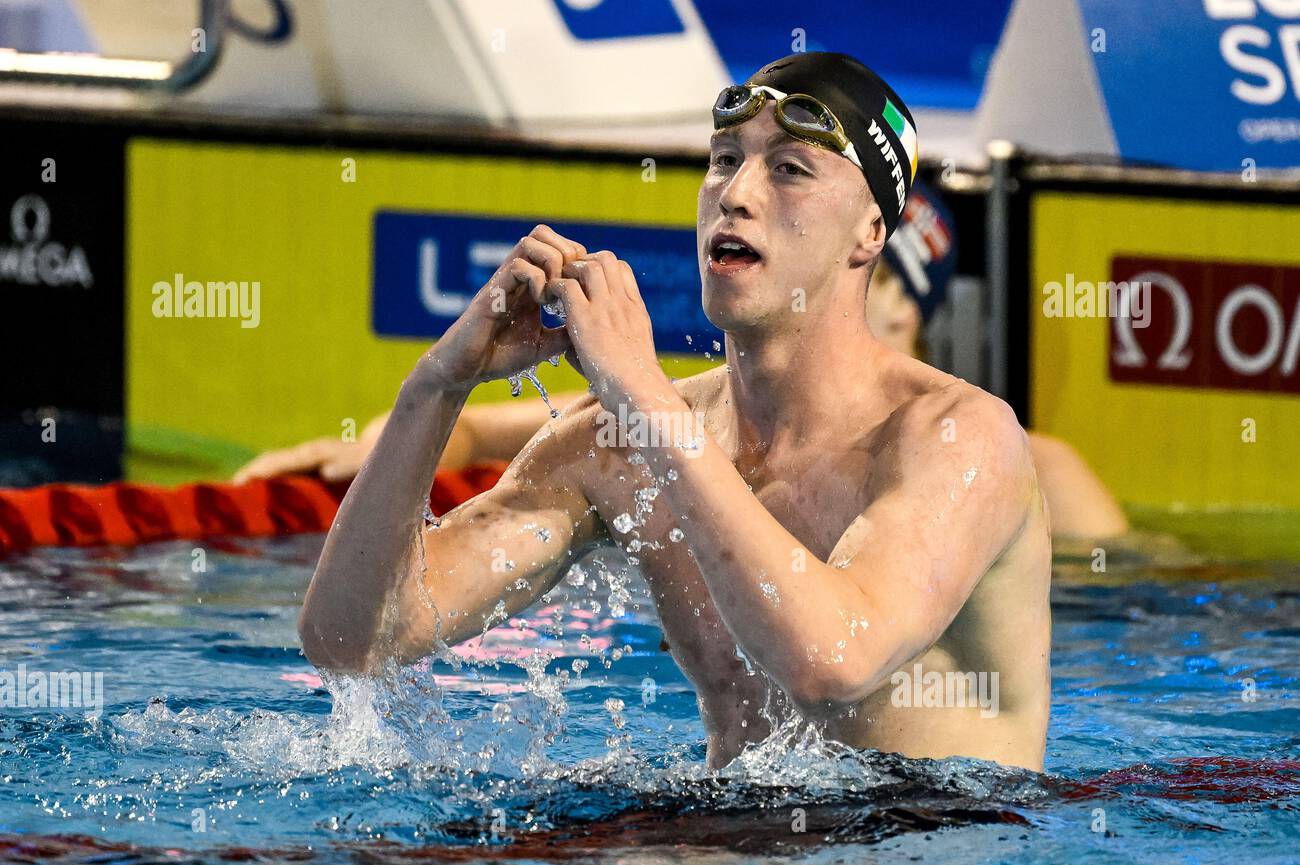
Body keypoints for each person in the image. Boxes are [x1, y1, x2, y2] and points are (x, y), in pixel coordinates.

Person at [295, 52, 1052, 772]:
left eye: (789, 169)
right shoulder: (616, 441)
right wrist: (436, 386)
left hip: (934, 829)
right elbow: (353, 639)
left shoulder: (956, 438)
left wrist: (643, 394)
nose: (737, 191)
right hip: (730, 828)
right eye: (725, 159)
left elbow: (833, 660)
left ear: (870, 234)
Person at [237, 189, 1129, 542]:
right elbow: (478, 429)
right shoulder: (682, 415)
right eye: (727, 163)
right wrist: (409, 416)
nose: (739, 196)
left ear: (882, 274)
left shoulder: (1018, 460)